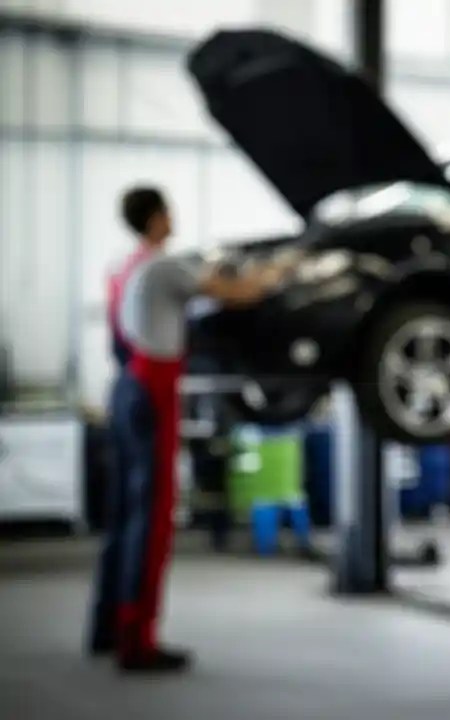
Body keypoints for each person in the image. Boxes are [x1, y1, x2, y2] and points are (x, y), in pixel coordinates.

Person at [88, 186, 286, 672]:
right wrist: (281, 271)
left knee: (123, 514)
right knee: (153, 519)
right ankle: (138, 642)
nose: (173, 217)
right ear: (157, 218)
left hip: (125, 389)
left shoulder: (123, 265)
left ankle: (107, 627)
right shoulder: (165, 265)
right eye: (169, 210)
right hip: (152, 392)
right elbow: (236, 293)